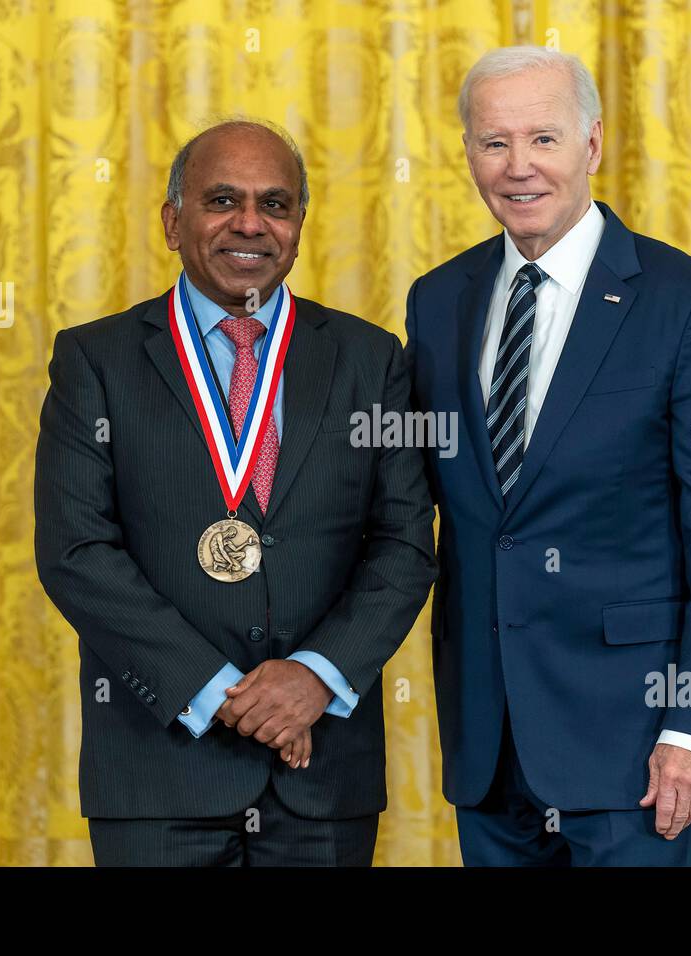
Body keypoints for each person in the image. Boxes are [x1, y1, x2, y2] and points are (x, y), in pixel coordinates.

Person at [35, 119, 436, 866]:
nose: (250, 223)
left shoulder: (371, 360)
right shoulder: (96, 360)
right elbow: (77, 551)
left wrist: (315, 679)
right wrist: (221, 693)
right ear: (171, 221)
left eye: (275, 204)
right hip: (158, 779)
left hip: (322, 778)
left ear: (298, 227)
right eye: (222, 200)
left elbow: (404, 545)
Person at [405, 47, 691, 865]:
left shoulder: (689, 303)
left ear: (593, 145)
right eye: (494, 143)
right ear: (467, 154)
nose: (518, 167)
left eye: (544, 139)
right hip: (488, 742)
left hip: (636, 750)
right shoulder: (437, 300)